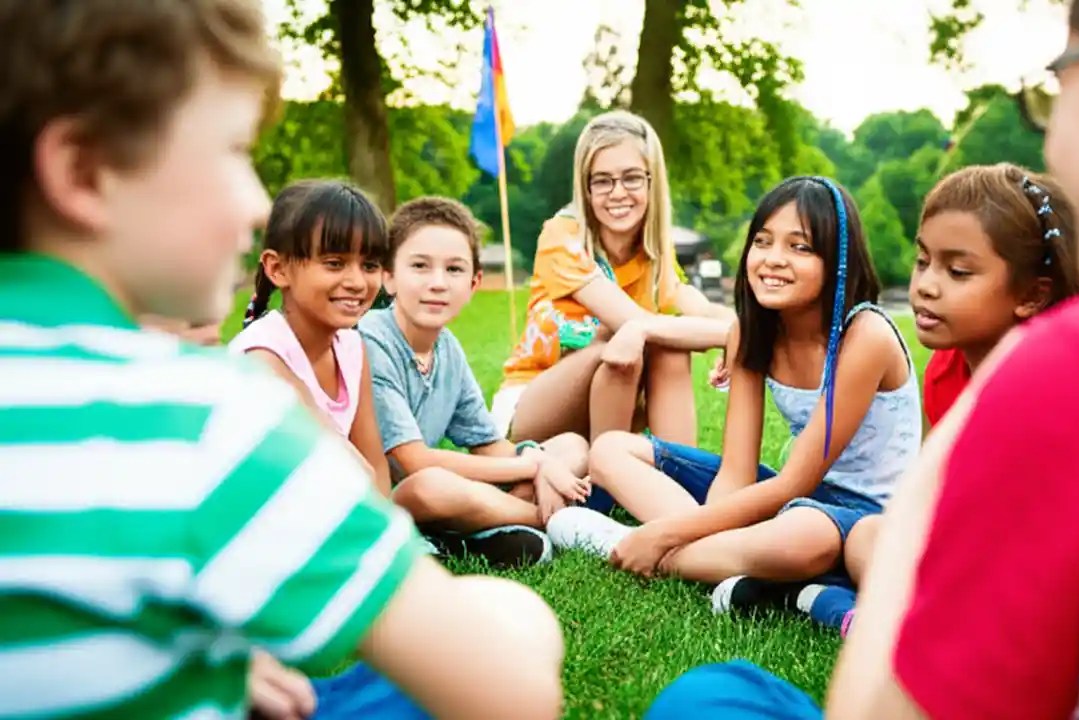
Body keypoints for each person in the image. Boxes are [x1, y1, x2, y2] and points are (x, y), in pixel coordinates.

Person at [648, 1, 1079, 719]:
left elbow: (889, 707)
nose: (1054, 147)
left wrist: (930, 489)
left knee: (709, 699)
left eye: (1052, 90)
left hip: (854, 533)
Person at [0, 3, 563, 719]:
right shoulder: (203, 414)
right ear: (83, 173)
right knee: (519, 621)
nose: (255, 199)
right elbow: (510, 698)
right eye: (232, 153)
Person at [716, 163, 1079, 632]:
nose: (925, 286)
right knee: (870, 537)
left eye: (956, 271)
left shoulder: (1056, 380)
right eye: (922, 261)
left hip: (1041, 569)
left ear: (1032, 295)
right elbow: (933, 496)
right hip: (954, 550)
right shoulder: (945, 373)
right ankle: (822, 599)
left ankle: (819, 599)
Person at [546, 176, 921, 596]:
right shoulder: (751, 332)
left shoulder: (865, 335)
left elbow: (793, 483)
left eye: (799, 247)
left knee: (801, 538)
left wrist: (666, 534)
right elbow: (737, 472)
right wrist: (696, 523)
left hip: (864, 519)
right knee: (611, 449)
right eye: (763, 242)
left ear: (837, 261)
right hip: (795, 502)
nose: (773, 259)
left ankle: (635, 547)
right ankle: (721, 556)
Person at [361, 196, 591, 566]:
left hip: (444, 489)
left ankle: (481, 527)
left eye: (454, 270)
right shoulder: (371, 339)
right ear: (388, 276)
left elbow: (487, 443)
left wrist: (536, 456)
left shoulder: (446, 348)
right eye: (420, 266)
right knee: (431, 486)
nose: (437, 283)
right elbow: (414, 461)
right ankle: (553, 519)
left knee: (572, 446)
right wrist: (535, 468)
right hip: (386, 498)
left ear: (474, 282)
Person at [491, 110, 735, 452]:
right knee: (624, 338)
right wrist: (731, 338)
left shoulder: (654, 253)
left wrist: (753, 330)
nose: (617, 192)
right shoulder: (562, 236)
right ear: (585, 188)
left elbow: (703, 308)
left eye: (632, 178)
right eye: (602, 180)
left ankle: (680, 478)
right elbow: (636, 324)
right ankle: (609, 473)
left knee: (665, 345)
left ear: (652, 181)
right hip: (533, 403)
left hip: (609, 406)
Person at [230, 179, 394, 498]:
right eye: (334, 263)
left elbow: (375, 466)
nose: (358, 282)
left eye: (370, 265)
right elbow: (347, 469)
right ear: (278, 269)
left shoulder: (350, 347)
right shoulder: (262, 359)